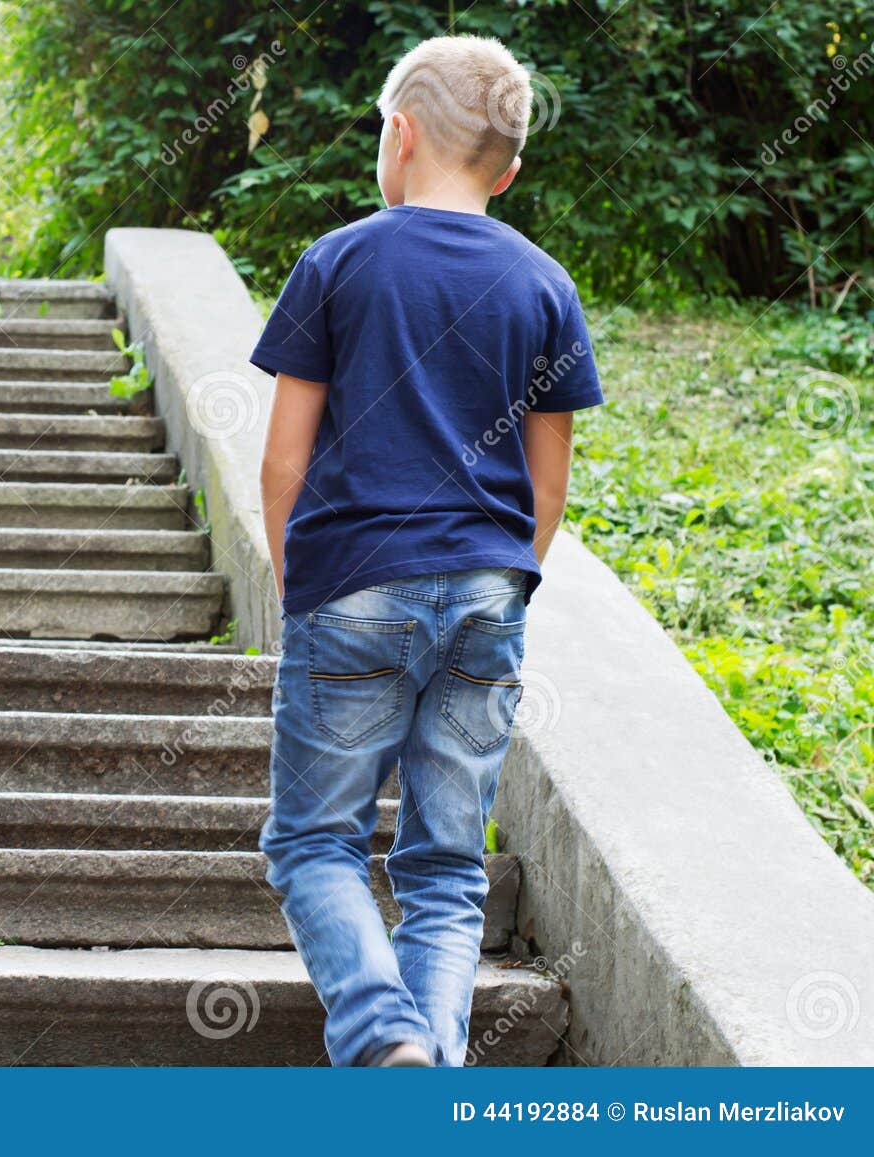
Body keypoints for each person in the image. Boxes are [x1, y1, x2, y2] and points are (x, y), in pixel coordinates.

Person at [252, 35, 603, 1067]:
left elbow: (284, 462)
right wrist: (497, 582)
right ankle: (431, 1082)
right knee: (446, 865)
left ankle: (380, 1030)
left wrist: (298, 578)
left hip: (352, 585)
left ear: (398, 135)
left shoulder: (339, 260)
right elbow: (547, 489)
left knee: (314, 840)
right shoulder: (544, 285)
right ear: (511, 168)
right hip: (487, 597)